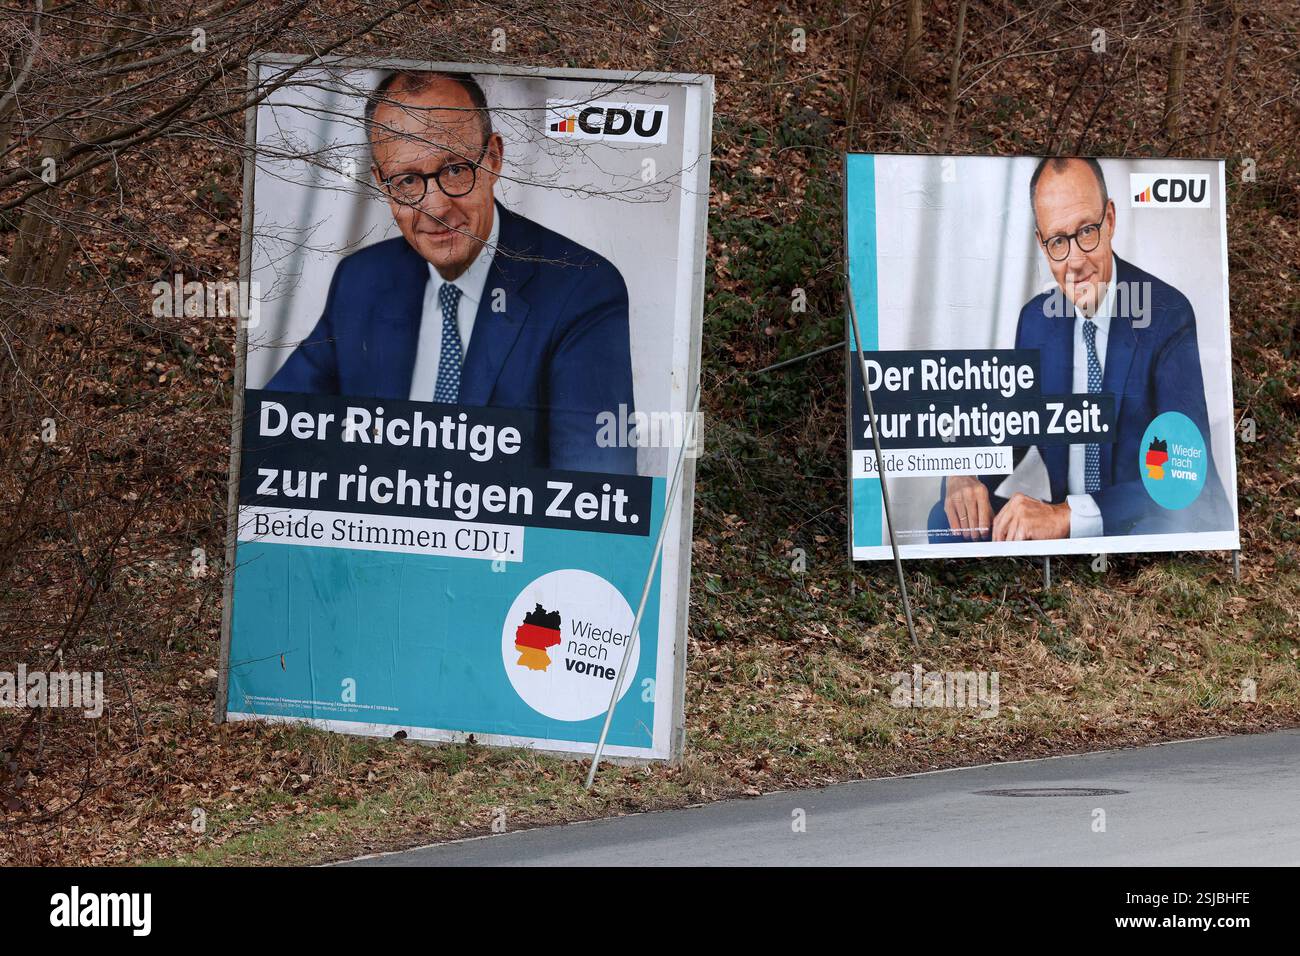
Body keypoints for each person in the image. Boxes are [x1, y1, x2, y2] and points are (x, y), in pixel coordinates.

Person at [267, 70, 636, 475]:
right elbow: (273, 433)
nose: (436, 207)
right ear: (382, 185)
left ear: (493, 158)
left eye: (456, 170)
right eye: (407, 180)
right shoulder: (361, 280)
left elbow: (598, 489)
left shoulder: (581, 289)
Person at [929, 157, 1228, 542]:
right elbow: (1012, 428)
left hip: (1136, 527)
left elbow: (1184, 476)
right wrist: (964, 473)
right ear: (1041, 242)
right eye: (1057, 241)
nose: (1075, 261)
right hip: (1063, 538)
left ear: (1110, 221)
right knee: (947, 518)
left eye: (1086, 231)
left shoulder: (1166, 315)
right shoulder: (1036, 322)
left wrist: (1067, 515)